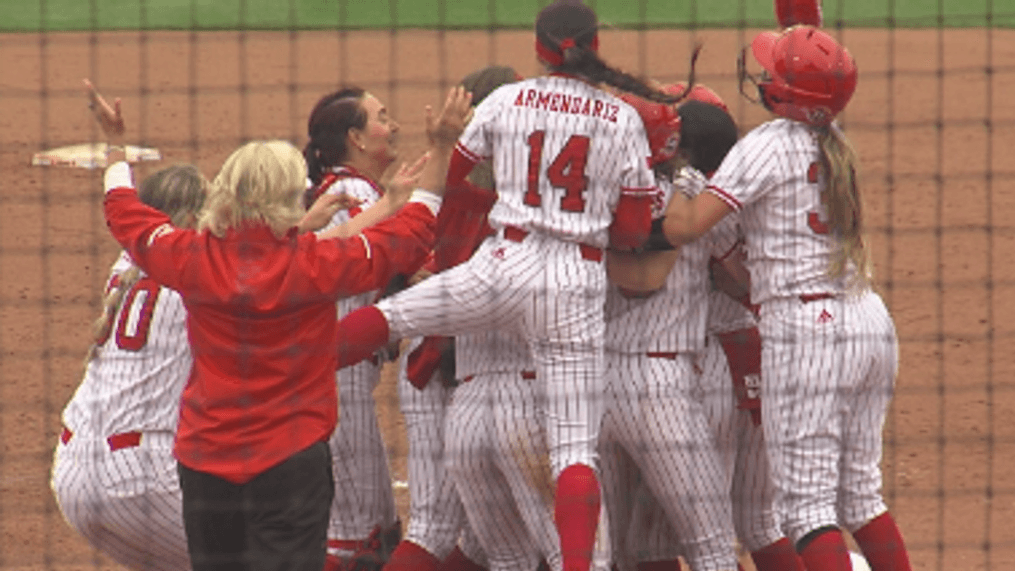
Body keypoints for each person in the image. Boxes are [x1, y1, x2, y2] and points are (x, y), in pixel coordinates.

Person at [335, 4, 700, 571]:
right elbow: (629, 234)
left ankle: (285, 369)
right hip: (572, 284)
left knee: (396, 316)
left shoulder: (505, 100)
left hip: (503, 260)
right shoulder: (622, 117)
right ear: (594, 45)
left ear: (539, 48)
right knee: (575, 453)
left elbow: (453, 177)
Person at [84, 78, 471, 571]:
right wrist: (441, 149)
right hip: (289, 468)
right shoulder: (316, 264)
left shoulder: (188, 257)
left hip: (205, 467)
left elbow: (124, 212)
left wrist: (116, 146)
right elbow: (414, 234)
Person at [657, 26, 912, 571]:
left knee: (806, 511)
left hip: (808, 332)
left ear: (788, 93)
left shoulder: (765, 146)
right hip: (868, 318)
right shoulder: (835, 140)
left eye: (774, 71)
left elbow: (685, 229)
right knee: (863, 496)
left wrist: (682, 176)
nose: (764, 75)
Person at [598, 93, 741, 571]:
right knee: (713, 548)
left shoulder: (609, 190)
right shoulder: (696, 197)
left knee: (624, 554)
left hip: (598, 389)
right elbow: (740, 278)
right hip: (660, 389)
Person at [51, 164, 207, 571]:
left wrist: (116, 151)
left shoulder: (125, 263)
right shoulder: (196, 273)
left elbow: (120, 195)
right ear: (189, 219)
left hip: (70, 470)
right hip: (138, 478)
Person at [303, 86, 416, 571]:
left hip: (324, 384)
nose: (393, 126)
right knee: (359, 543)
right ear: (356, 137)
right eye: (381, 118)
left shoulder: (337, 191)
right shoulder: (361, 197)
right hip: (335, 392)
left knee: (374, 532)